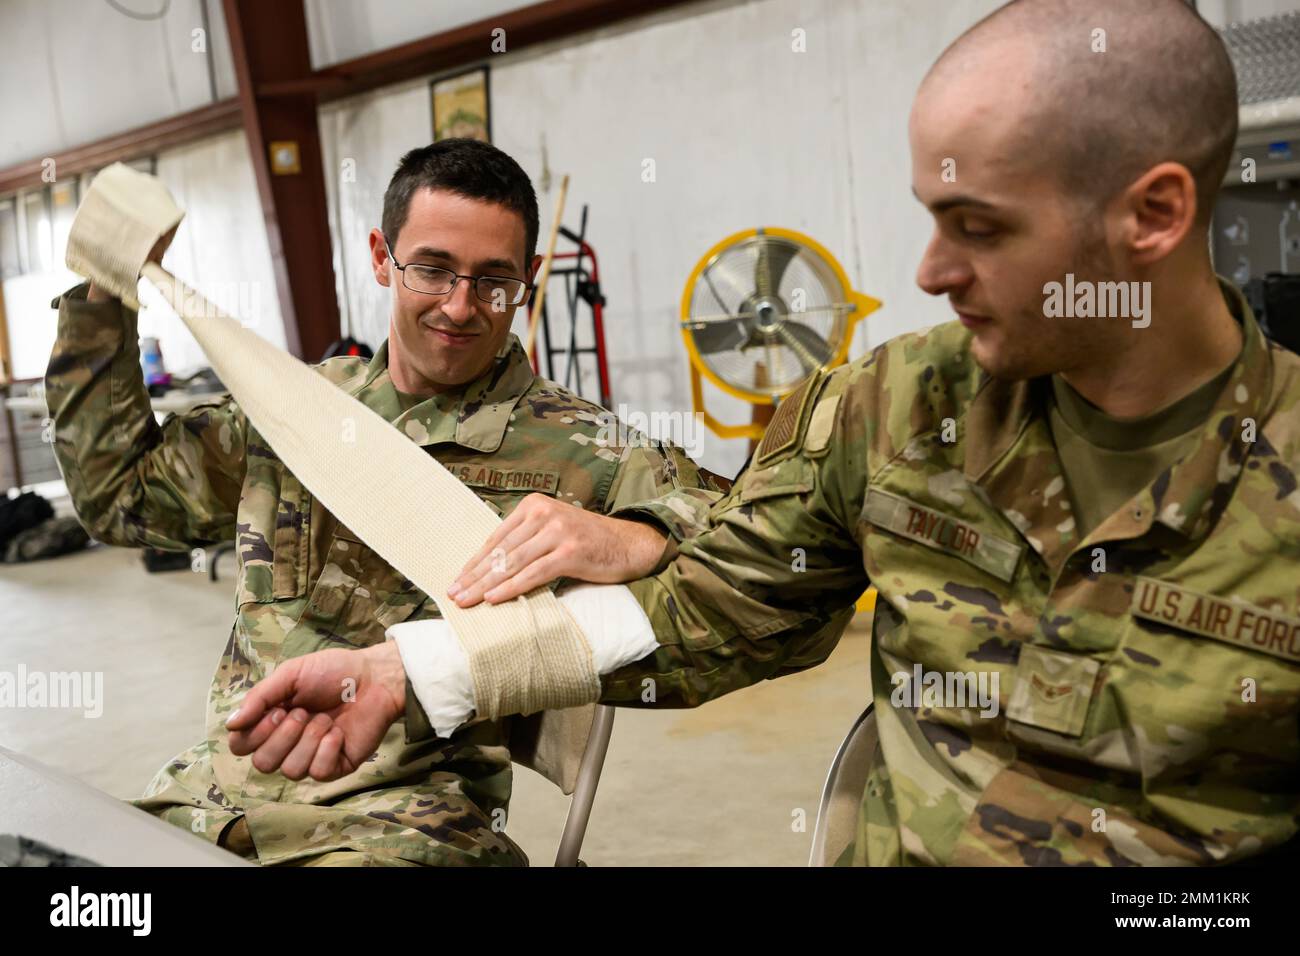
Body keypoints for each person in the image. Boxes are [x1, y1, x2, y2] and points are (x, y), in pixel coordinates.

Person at [229, 0, 1300, 865]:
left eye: (978, 227)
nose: (928, 271)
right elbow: (712, 609)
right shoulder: (890, 408)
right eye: (929, 215)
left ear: (1151, 216)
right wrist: (414, 668)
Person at [45, 138, 717, 867]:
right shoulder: (293, 407)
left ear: (527, 281)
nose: (460, 307)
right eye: (431, 269)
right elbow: (119, 501)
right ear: (380, 257)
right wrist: (103, 292)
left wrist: (633, 538)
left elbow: (751, 543)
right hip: (212, 800)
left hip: (409, 826)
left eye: (493, 281)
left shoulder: (584, 447)